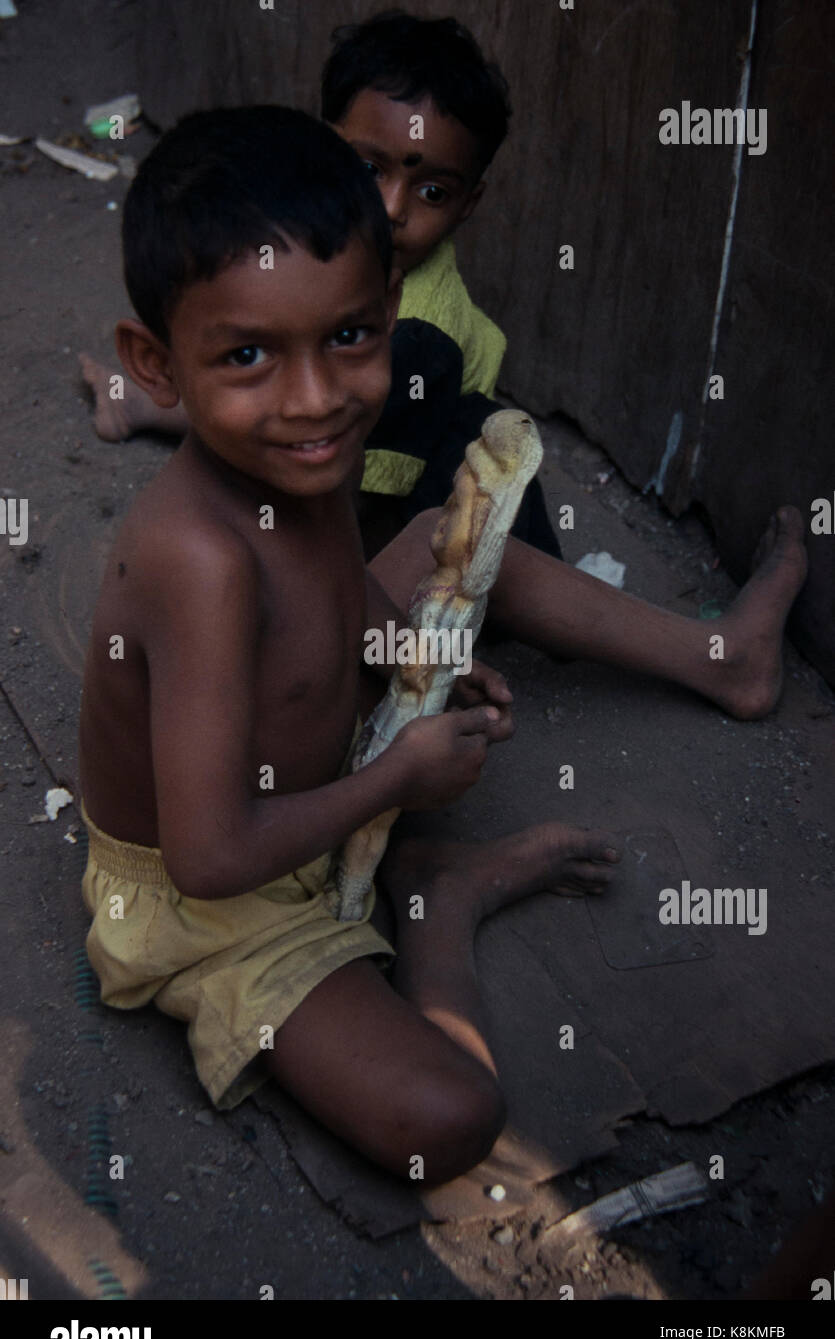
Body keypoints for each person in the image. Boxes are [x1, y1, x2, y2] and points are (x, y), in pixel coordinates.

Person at [79, 107, 624, 1186]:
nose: (315, 398)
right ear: (154, 364)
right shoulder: (199, 559)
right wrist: (393, 779)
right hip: (205, 903)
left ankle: (708, 659)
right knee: (450, 1118)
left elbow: (333, 583)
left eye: (348, 336)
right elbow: (210, 854)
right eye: (246, 355)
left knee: (449, 541)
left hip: (299, 791)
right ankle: (435, 907)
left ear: (385, 309)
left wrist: (413, 656)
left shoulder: (303, 454)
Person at [78, 9, 561, 558]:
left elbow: (367, 487)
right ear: (322, 144)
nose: (392, 208)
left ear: (467, 203)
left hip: (420, 484)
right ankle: (146, 407)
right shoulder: (329, 245)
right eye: (370, 169)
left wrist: (326, 579)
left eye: (433, 193)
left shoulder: (421, 339)